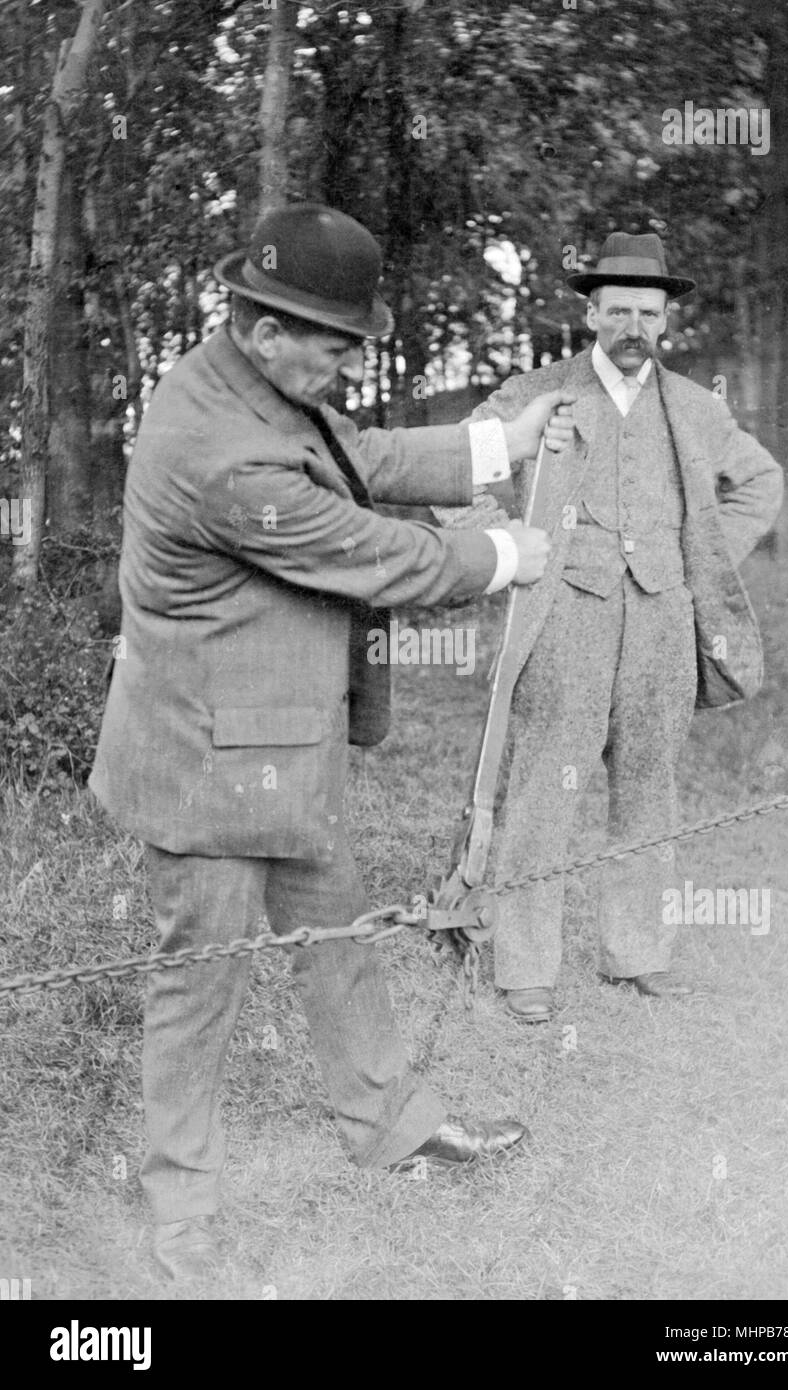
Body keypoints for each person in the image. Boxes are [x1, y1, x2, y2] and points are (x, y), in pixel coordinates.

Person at [89, 202, 573, 1281]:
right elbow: (364, 548)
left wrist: (495, 442)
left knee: (338, 939)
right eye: (338, 345)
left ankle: (389, 1127)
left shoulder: (248, 382)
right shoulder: (223, 453)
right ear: (268, 330)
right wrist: (502, 556)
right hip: (204, 763)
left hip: (281, 740)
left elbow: (353, 456)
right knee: (198, 987)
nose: (350, 364)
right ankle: (182, 1213)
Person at [464, 232, 783, 1022]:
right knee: (544, 789)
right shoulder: (540, 391)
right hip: (564, 616)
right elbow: (464, 467)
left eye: (646, 313)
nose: (632, 327)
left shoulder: (695, 407)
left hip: (663, 622)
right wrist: (506, 546)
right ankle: (524, 968)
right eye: (617, 312)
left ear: (665, 319)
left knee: (648, 788)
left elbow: (760, 481)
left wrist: (701, 555)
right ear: (590, 314)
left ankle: (639, 952)